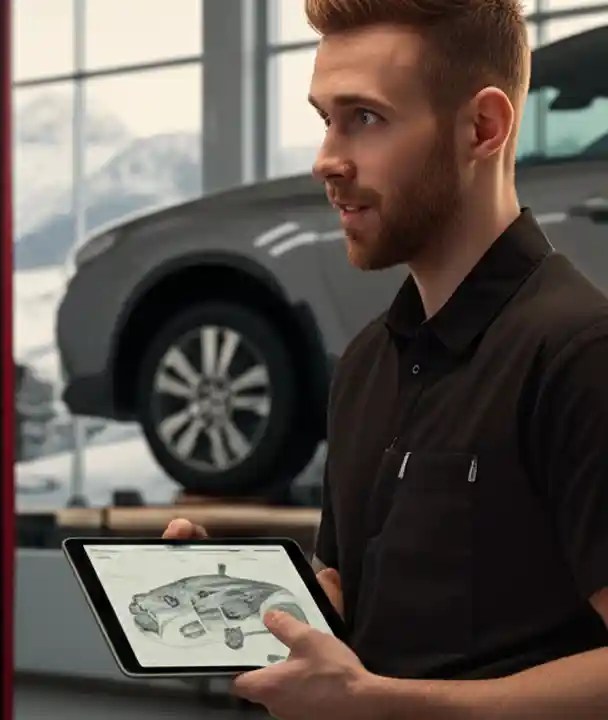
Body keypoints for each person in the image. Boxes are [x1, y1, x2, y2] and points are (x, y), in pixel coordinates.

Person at [163, 0, 608, 718]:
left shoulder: (582, 356)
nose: (326, 160)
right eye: (325, 119)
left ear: (483, 128)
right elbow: (356, 611)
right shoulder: (366, 362)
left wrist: (382, 705)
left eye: (364, 118)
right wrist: (260, 605)